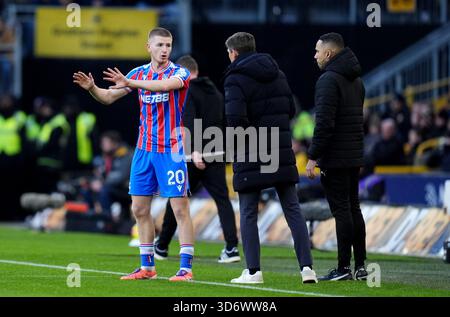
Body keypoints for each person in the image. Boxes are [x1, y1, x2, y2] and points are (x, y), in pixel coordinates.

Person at [73, 27, 194, 282]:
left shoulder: (179, 72)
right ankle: (147, 267)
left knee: (180, 209)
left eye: (168, 45)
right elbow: (107, 98)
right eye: (160, 45)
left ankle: (185, 268)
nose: (164, 50)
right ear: (148, 47)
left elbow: (165, 85)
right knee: (139, 209)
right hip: (143, 151)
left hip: (169, 151)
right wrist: (93, 88)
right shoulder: (137, 73)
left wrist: (131, 83)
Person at [223, 32, 317, 284]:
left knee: (248, 212)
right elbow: (291, 109)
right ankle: (307, 269)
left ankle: (253, 272)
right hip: (280, 149)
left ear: (233, 52)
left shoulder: (235, 78)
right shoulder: (278, 73)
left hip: (251, 151)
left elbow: (235, 120)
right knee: (293, 209)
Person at [154, 55, 240, 263]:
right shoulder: (216, 92)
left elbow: (189, 119)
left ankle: (162, 246)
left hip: (193, 155)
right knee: (222, 200)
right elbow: (224, 121)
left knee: (176, 198)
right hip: (216, 152)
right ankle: (231, 248)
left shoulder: (187, 90)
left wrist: (194, 151)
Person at [306, 32, 368, 281]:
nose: (315, 55)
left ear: (329, 53)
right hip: (354, 154)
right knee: (354, 208)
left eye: (317, 51)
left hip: (335, 157)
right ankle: (361, 266)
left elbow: (325, 125)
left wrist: (313, 156)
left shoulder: (328, 80)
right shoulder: (357, 81)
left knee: (342, 210)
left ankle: (343, 268)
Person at [80, 131, 132, 217]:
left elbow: (121, 176)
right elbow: (99, 173)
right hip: (110, 186)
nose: (103, 145)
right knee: (86, 189)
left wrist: (102, 183)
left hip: (125, 189)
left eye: (105, 142)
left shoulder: (126, 154)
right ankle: (91, 217)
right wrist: (92, 182)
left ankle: (106, 218)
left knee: (105, 190)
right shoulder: (106, 156)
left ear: (115, 143)